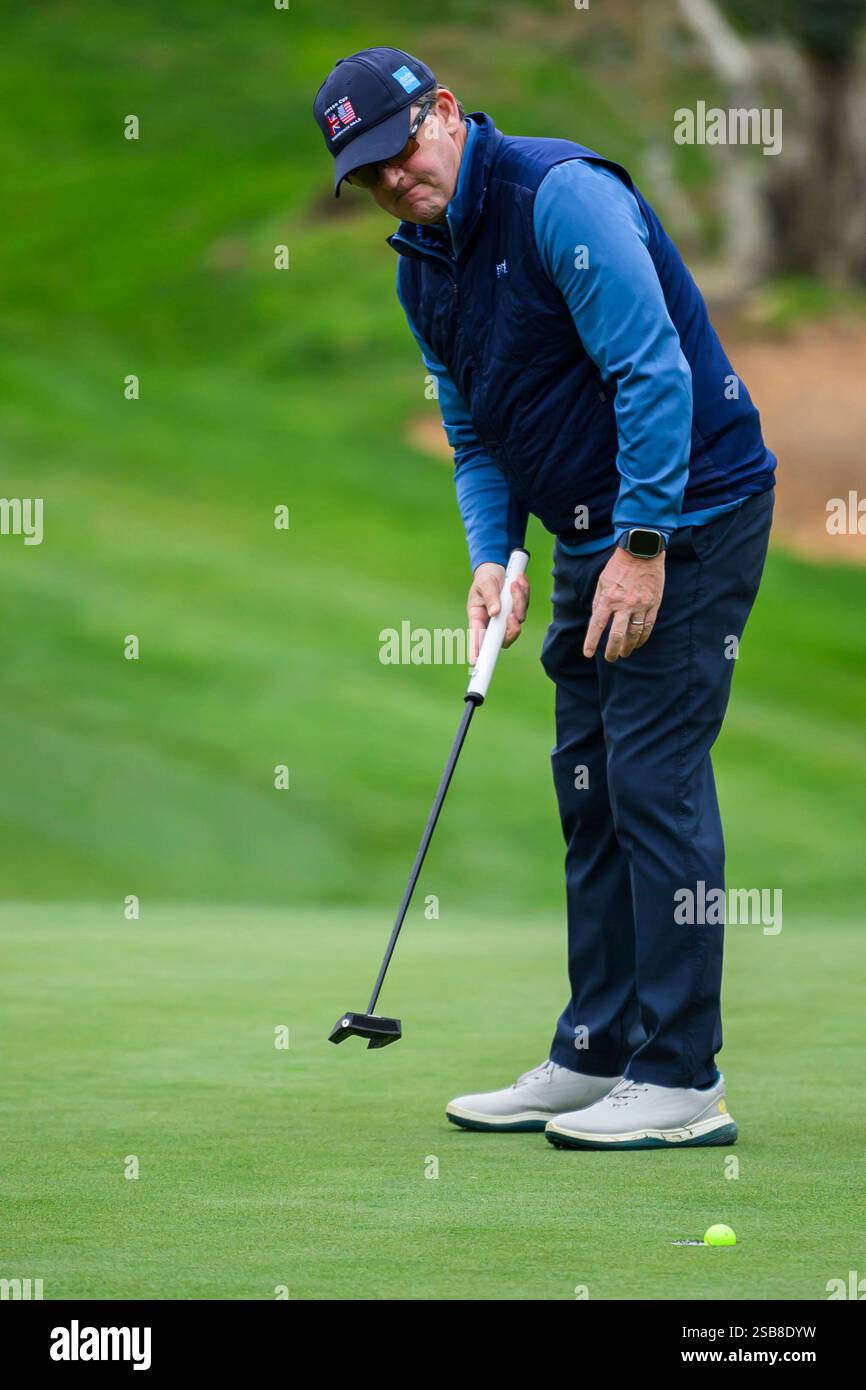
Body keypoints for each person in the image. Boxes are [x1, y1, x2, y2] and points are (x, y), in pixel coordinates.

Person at [313, 47, 776, 1150]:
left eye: (399, 151)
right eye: (366, 173)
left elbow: (651, 373)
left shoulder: (560, 197)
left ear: (446, 111)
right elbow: (475, 431)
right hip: (585, 533)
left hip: (687, 514)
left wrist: (645, 539)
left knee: (649, 779)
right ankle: (595, 1051)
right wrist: (489, 554)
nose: (392, 182)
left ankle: (678, 1080)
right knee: (586, 784)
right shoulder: (418, 263)